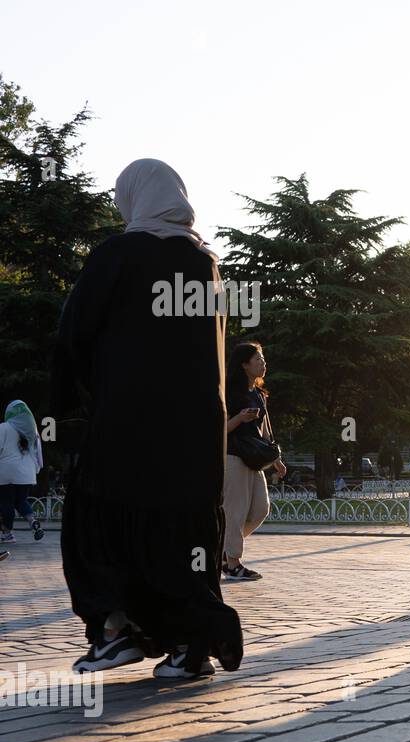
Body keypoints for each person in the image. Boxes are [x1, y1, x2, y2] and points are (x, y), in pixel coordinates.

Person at [53, 158, 242, 679]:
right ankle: (190, 649)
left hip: (127, 431)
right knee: (184, 539)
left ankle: (115, 633)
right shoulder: (206, 264)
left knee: (101, 527)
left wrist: (73, 404)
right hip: (193, 439)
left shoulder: (119, 254)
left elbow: (73, 334)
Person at [224, 341, 284, 580]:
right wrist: (239, 418)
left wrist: (277, 457)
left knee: (261, 509)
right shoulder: (229, 393)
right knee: (235, 512)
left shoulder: (259, 395)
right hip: (234, 456)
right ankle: (233, 563)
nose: (263, 363)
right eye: (258, 359)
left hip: (255, 458)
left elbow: (266, 430)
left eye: (263, 359)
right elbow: (219, 430)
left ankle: (223, 551)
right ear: (244, 364)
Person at [0, 400, 45, 544]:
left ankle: (8, 534)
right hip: (27, 474)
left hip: (7, 473)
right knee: (20, 501)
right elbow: (38, 453)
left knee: (6, 502)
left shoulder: (4, 427)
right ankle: (33, 522)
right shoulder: (32, 430)